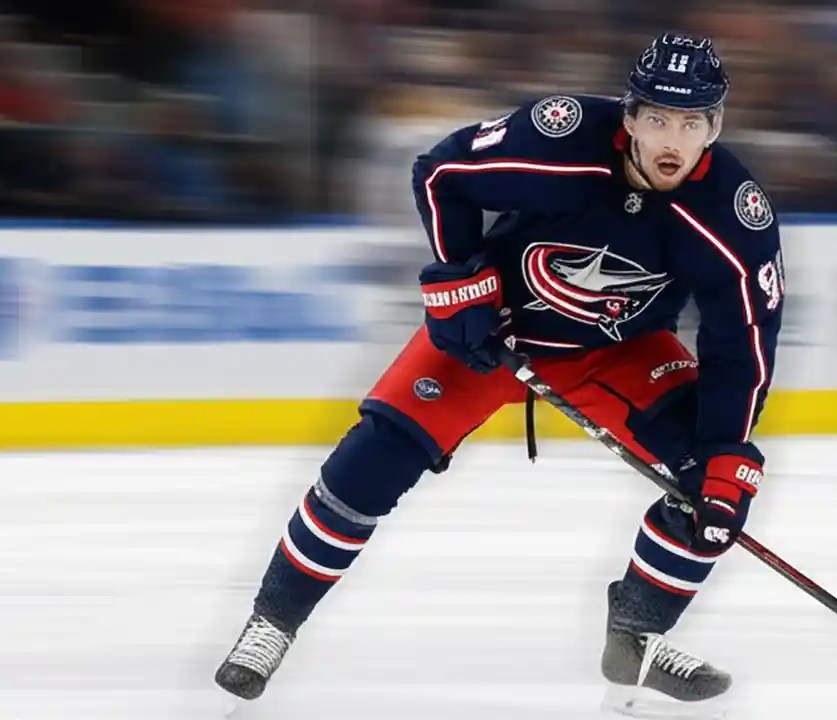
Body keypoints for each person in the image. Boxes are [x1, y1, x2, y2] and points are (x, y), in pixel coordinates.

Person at [214, 32, 785, 710]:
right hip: (496, 331)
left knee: (714, 487)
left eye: (691, 123)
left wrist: (722, 454)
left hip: (620, 350)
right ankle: (272, 622)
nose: (672, 138)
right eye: (657, 117)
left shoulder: (732, 215)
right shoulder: (562, 137)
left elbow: (741, 345)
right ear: (628, 115)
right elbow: (440, 173)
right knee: (365, 468)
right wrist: (463, 278)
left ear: (714, 127)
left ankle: (638, 635)